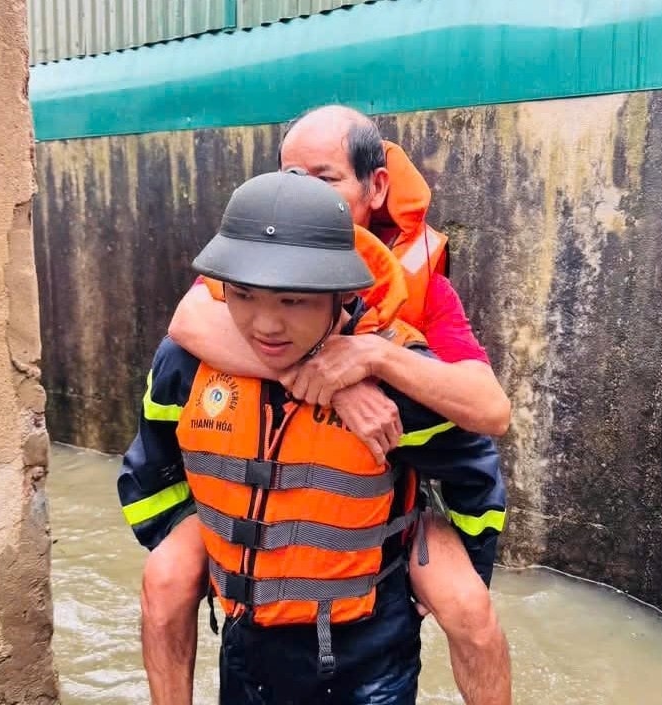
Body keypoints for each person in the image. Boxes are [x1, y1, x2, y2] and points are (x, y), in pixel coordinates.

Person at [157, 106, 513, 705]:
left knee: (468, 609)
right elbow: (189, 321)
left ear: (376, 187)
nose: (303, 194)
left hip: (390, 485)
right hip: (255, 487)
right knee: (164, 579)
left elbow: (489, 412)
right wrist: (327, 374)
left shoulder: (421, 284)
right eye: (290, 177)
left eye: (324, 179)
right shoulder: (260, 249)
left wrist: (374, 357)